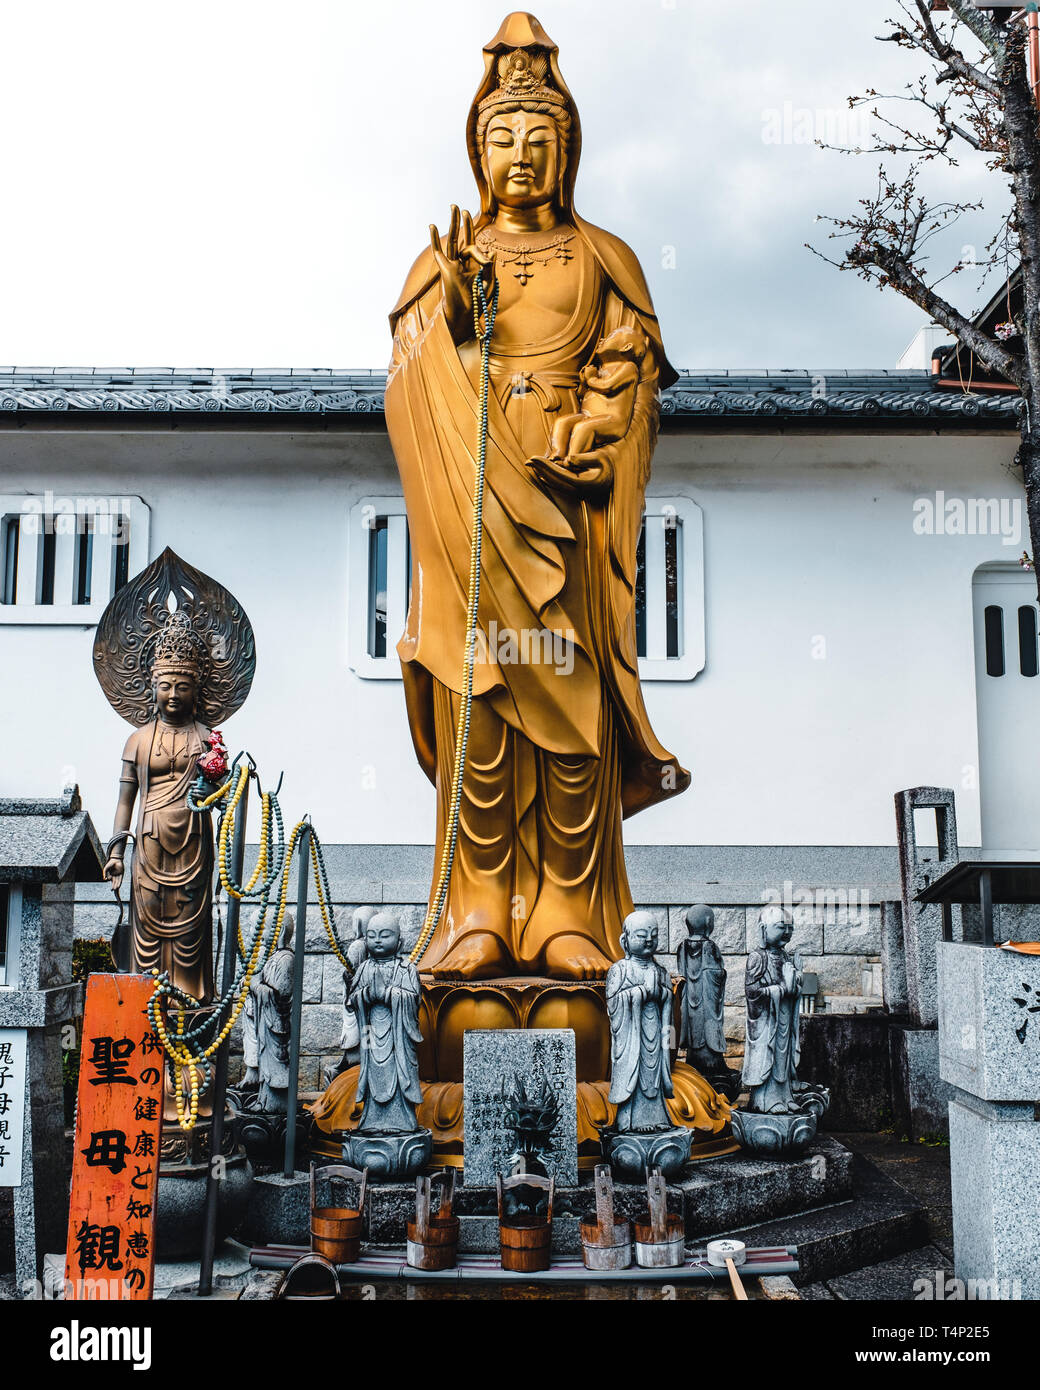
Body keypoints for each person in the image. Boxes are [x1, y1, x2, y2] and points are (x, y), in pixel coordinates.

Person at [385, 13, 689, 982]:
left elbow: (631, 368)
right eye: (501, 139)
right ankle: (475, 906)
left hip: (567, 521)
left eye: (537, 139)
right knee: (480, 715)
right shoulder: (440, 266)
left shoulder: (603, 259)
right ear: (477, 149)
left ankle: (568, 909)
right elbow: (405, 384)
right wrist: (454, 331)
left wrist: (596, 435)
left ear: (565, 149)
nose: (519, 156)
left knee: (570, 718)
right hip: (474, 524)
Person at [606, 911, 674, 1133]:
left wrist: (664, 995)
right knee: (636, 1074)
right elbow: (613, 1004)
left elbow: (669, 1006)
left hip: (656, 1032)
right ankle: (632, 1120)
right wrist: (639, 993)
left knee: (653, 1074)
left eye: (653, 936)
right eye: (642, 935)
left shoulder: (661, 972)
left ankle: (657, 1117)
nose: (649, 941)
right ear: (625, 941)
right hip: (632, 1037)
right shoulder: (620, 970)